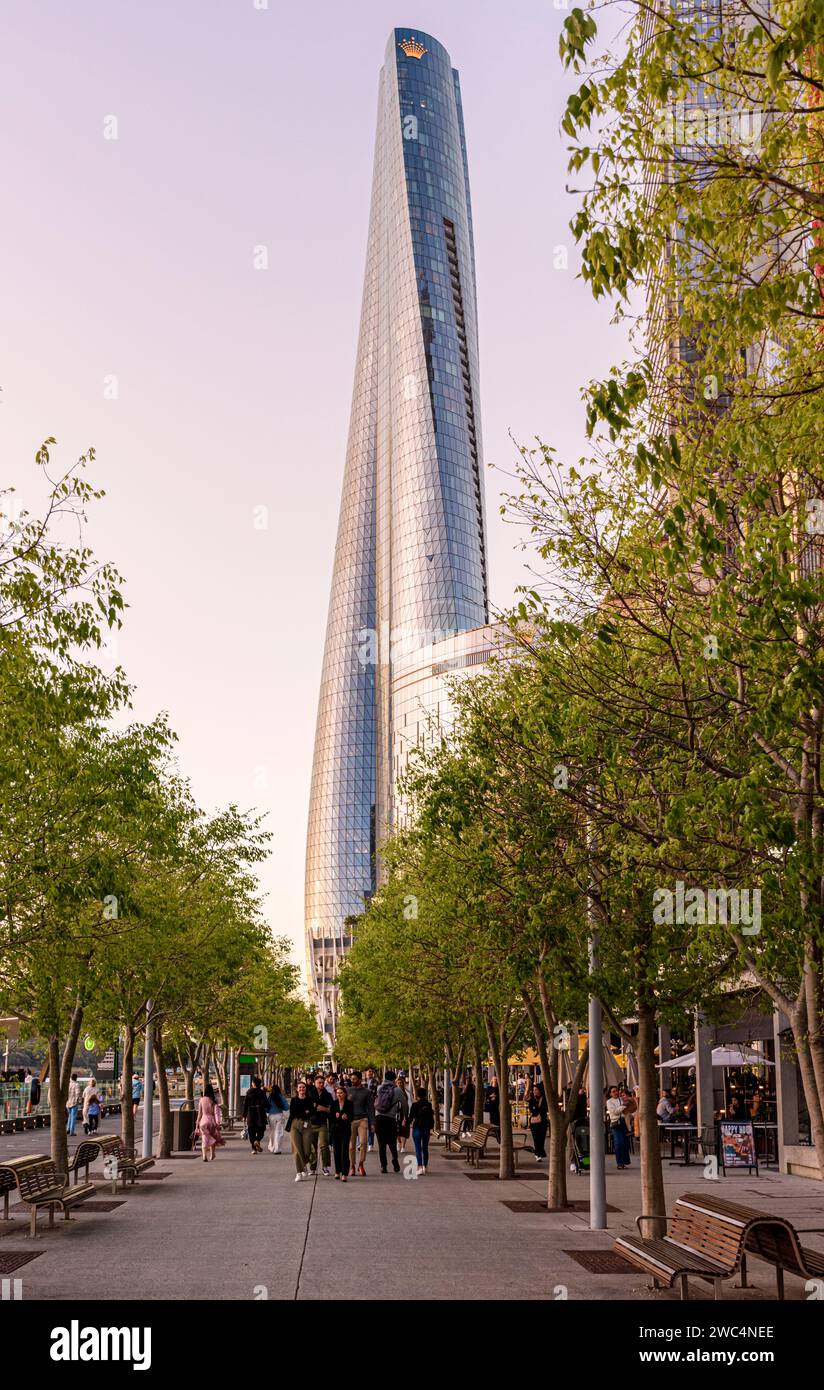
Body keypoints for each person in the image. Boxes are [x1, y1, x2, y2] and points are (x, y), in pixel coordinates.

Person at [373, 1070, 406, 1173]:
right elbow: (404, 1105)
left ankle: (383, 1166)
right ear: (394, 1079)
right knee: (392, 1143)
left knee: (381, 1144)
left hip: (378, 1118)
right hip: (391, 1119)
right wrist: (404, 1117)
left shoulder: (379, 1088)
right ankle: (394, 1160)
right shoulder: (398, 1090)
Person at [286, 1081, 316, 1182]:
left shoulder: (310, 1100)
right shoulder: (294, 1100)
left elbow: (312, 1111)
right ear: (297, 1089)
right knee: (297, 1149)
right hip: (295, 1124)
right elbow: (293, 1112)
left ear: (306, 1089)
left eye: (303, 1088)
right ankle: (299, 1172)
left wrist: (306, 1112)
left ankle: (304, 1165)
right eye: (300, 1088)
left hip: (307, 1125)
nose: (302, 1089)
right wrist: (305, 1111)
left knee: (307, 1149)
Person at [348, 1070, 374, 1177]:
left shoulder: (367, 1092)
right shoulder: (348, 1090)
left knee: (363, 1143)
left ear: (359, 1079)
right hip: (351, 1120)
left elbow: (371, 1108)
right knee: (351, 1146)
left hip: (363, 1119)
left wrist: (372, 1123)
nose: (352, 1081)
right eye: (351, 1079)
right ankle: (352, 1166)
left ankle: (361, 1164)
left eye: (354, 1079)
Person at [309, 1073, 333, 1176]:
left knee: (324, 1145)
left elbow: (331, 1109)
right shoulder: (309, 1094)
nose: (321, 1084)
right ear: (315, 1083)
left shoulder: (327, 1095)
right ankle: (313, 1167)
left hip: (323, 1123)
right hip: (311, 1123)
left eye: (323, 1082)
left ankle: (325, 1166)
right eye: (319, 1082)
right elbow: (309, 1107)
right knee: (312, 1147)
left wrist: (323, 1108)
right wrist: (315, 1107)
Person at [330, 1085, 354, 1181]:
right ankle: (337, 1171)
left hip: (345, 1130)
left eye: (341, 1093)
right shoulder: (334, 1103)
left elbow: (352, 1116)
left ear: (345, 1094)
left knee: (344, 1151)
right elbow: (330, 1117)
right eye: (338, 1093)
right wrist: (335, 1116)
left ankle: (344, 1173)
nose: (339, 1094)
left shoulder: (349, 1103)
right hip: (336, 1130)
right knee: (337, 1151)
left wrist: (347, 1117)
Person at [409, 1086, 434, 1175]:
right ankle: (425, 1166)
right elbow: (431, 1117)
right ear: (425, 1095)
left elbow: (410, 1117)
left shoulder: (414, 1105)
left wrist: (406, 1122)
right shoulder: (429, 1105)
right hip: (426, 1129)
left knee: (418, 1148)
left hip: (417, 1128)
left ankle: (419, 1167)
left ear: (417, 1095)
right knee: (425, 1148)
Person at [195, 1083, 223, 1162]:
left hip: (203, 1121)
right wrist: (218, 1123)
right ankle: (212, 1154)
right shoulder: (214, 1101)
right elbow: (216, 1113)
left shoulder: (202, 1100)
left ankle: (204, 1155)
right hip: (212, 1122)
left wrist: (197, 1123)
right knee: (213, 1136)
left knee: (204, 1138)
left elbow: (200, 1113)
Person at [606, 1085, 631, 1169]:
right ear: (610, 1094)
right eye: (613, 1091)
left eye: (616, 1091)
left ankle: (624, 1162)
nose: (615, 1093)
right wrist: (623, 1106)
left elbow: (629, 1108)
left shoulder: (621, 1099)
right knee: (619, 1143)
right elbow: (615, 1112)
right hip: (615, 1123)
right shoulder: (609, 1102)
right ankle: (619, 1163)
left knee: (625, 1143)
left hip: (624, 1123)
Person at [243, 1076, 268, 1154]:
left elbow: (245, 1105)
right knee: (261, 1130)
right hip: (260, 1113)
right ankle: (257, 1140)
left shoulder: (248, 1092)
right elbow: (266, 1104)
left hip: (250, 1113)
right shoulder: (262, 1093)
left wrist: (244, 1115)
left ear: (253, 1084)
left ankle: (254, 1149)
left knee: (251, 1131)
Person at [266, 1082, 289, 1153]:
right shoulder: (281, 1097)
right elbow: (287, 1107)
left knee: (272, 1132)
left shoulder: (270, 1097)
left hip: (271, 1116)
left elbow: (266, 1107)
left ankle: (271, 1147)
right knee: (279, 1132)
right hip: (279, 1115)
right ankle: (277, 1148)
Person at [527, 1083, 548, 1161]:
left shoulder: (544, 1099)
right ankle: (537, 1154)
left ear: (540, 1090)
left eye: (536, 1090)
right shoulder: (532, 1099)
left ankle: (540, 1151)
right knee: (536, 1138)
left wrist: (537, 1109)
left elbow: (545, 1109)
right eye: (533, 1090)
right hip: (534, 1122)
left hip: (543, 1122)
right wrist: (538, 1109)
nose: (534, 1091)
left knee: (541, 1138)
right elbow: (532, 1110)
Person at [396, 1074, 411, 1152]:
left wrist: (408, 1115)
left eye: (401, 1083)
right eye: (398, 1083)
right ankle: (399, 1142)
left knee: (404, 1130)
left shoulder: (407, 1093)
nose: (399, 1084)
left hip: (405, 1113)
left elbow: (410, 1103)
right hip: (396, 1114)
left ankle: (403, 1147)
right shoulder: (394, 1092)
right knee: (397, 1130)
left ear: (403, 1084)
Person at [364, 1067, 378, 1151]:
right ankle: (360, 1144)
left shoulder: (375, 1082)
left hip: (371, 1105)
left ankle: (370, 1144)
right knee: (361, 1125)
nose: (370, 1073)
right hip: (362, 1105)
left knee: (371, 1124)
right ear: (365, 1073)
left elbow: (377, 1093)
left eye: (371, 1072)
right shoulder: (362, 1081)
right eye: (368, 1072)